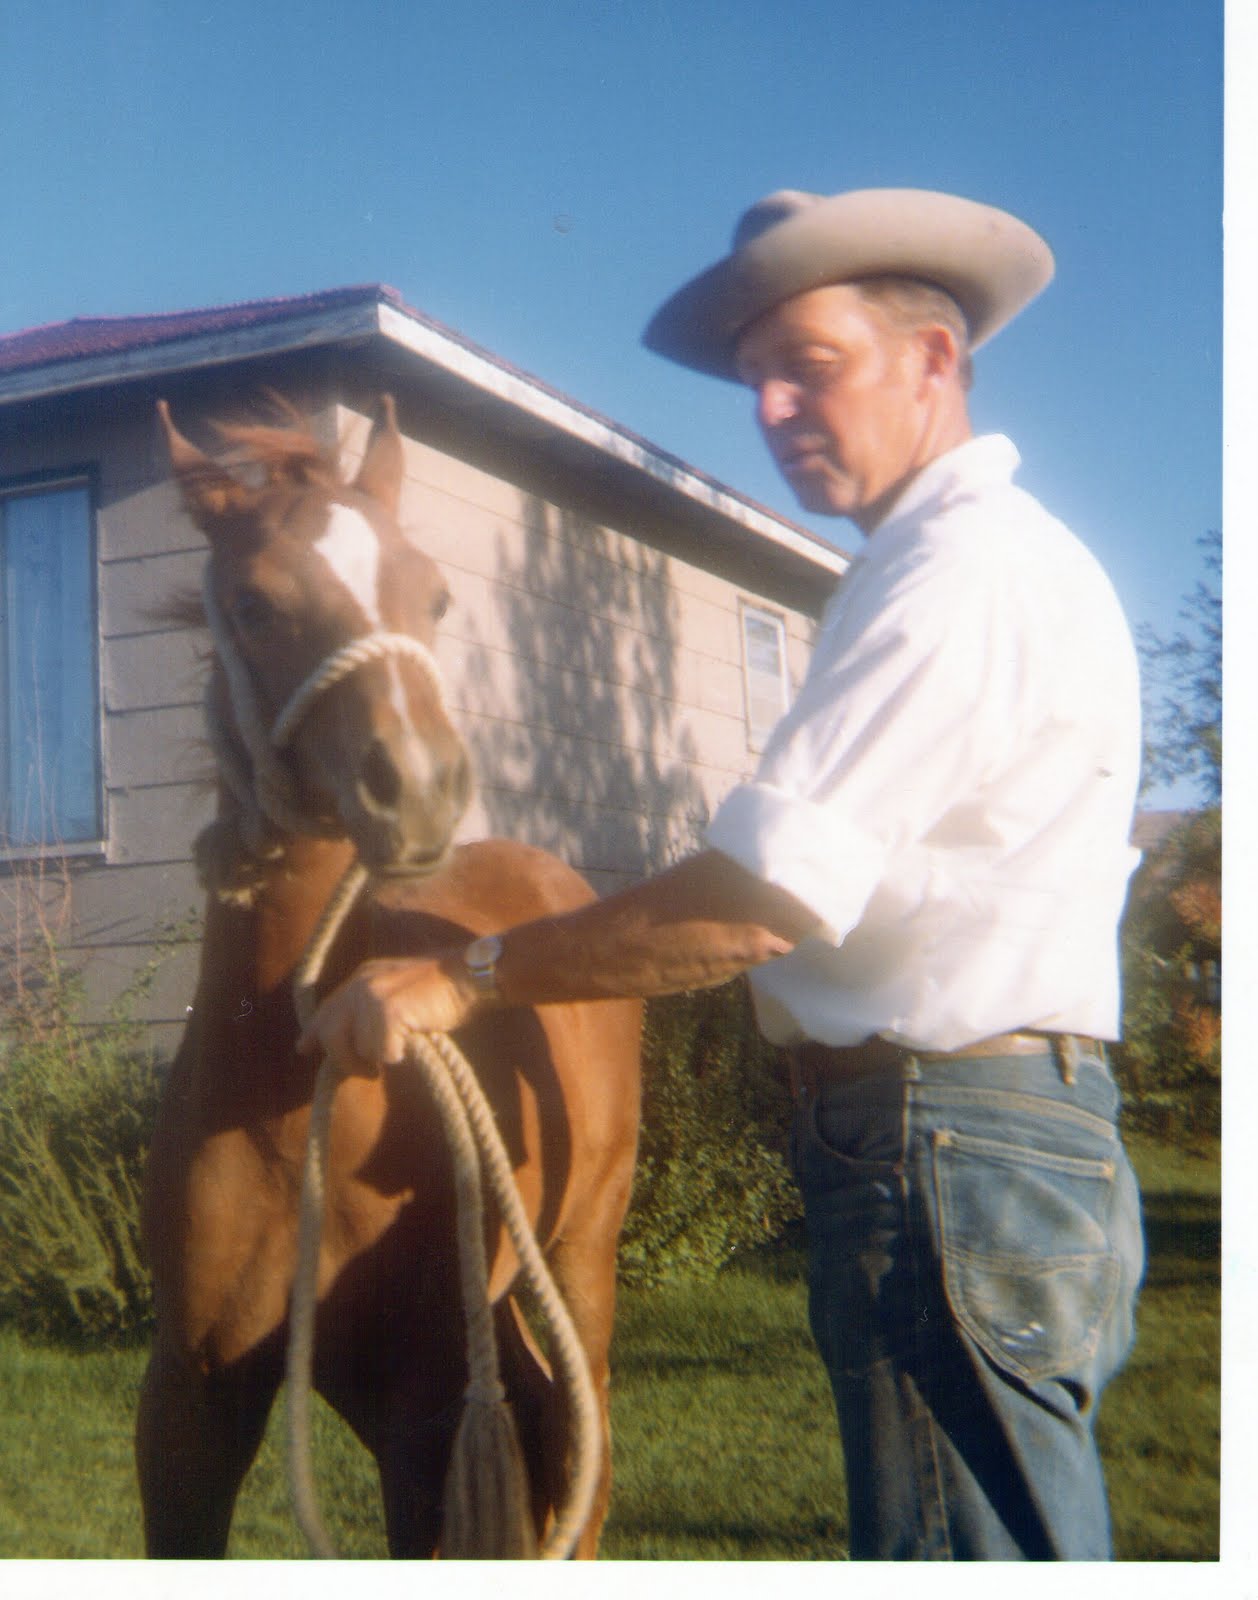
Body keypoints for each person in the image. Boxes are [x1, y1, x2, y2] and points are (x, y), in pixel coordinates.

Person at [299, 187, 1146, 1561]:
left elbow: (756, 902)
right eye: (755, 382)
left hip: (947, 1139)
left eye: (808, 368)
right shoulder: (976, 568)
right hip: (984, 1133)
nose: (768, 412)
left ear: (933, 360)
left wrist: (470, 975)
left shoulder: (956, 575)